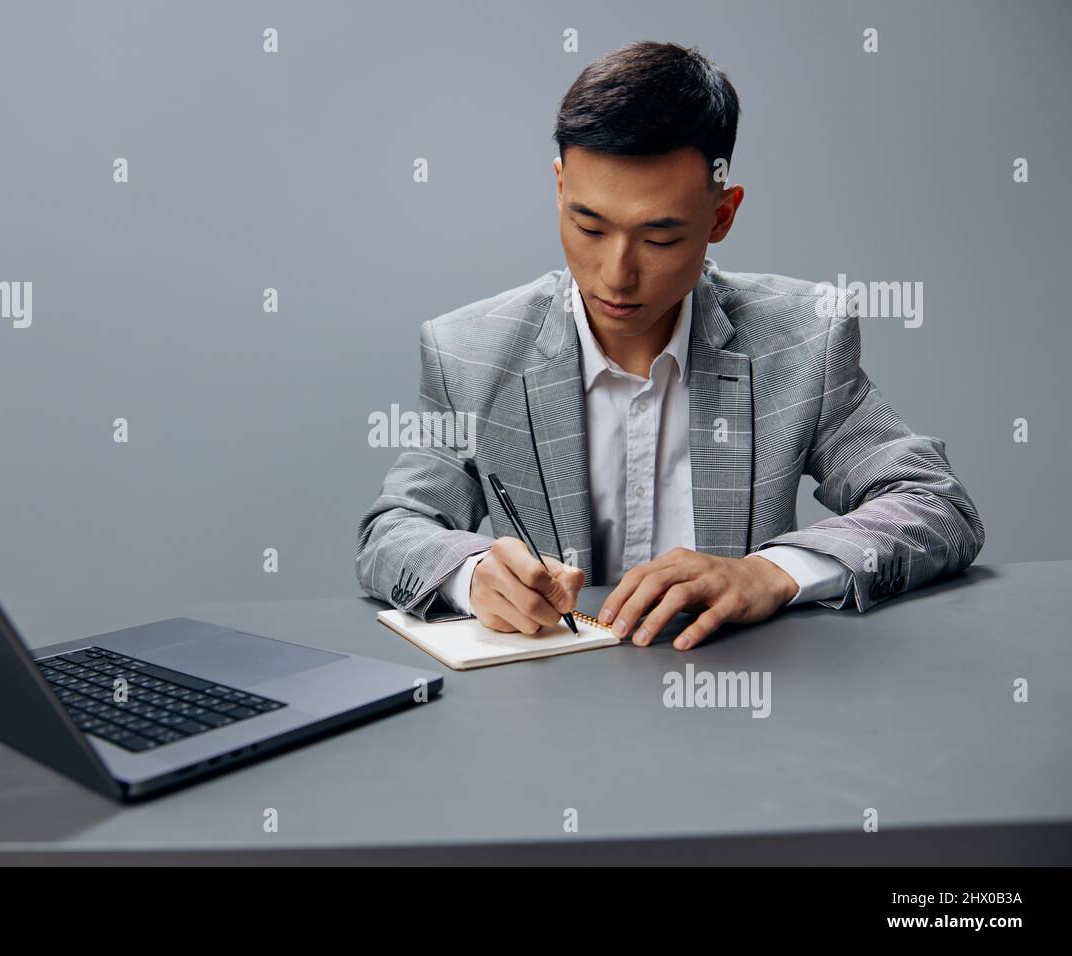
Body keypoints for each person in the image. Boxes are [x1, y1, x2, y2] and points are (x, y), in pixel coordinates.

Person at [355, 40, 984, 651]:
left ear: (721, 216)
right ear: (558, 187)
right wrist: (473, 575)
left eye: (659, 239)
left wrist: (771, 573)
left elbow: (933, 505)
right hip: (550, 711)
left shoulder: (802, 340)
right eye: (588, 226)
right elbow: (393, 530)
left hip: (747, 701)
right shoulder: (468, 350)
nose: (616, 274)